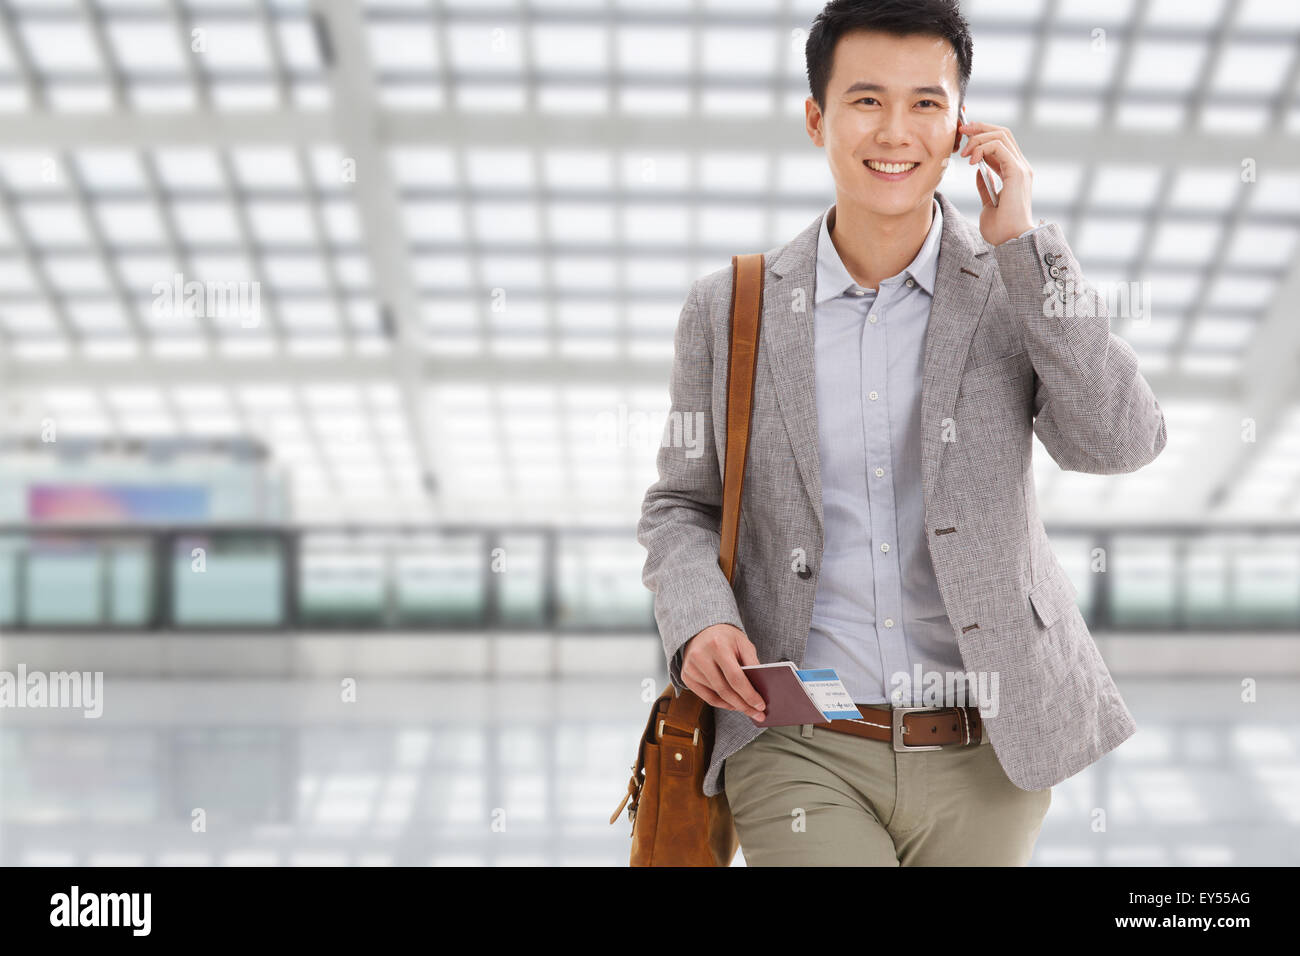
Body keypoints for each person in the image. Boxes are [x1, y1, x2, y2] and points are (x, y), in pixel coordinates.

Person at [636, 0, 1167, 865]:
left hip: (987, 746)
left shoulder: (1010, 290)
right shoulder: (730, 308)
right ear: (817, 119)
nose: (896, 131)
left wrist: (1026, 247)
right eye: (866, 100)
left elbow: (1120, 441)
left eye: (927, 102)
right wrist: (698, 621)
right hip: (798, 740)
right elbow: (679, 504)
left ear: (962, 124)